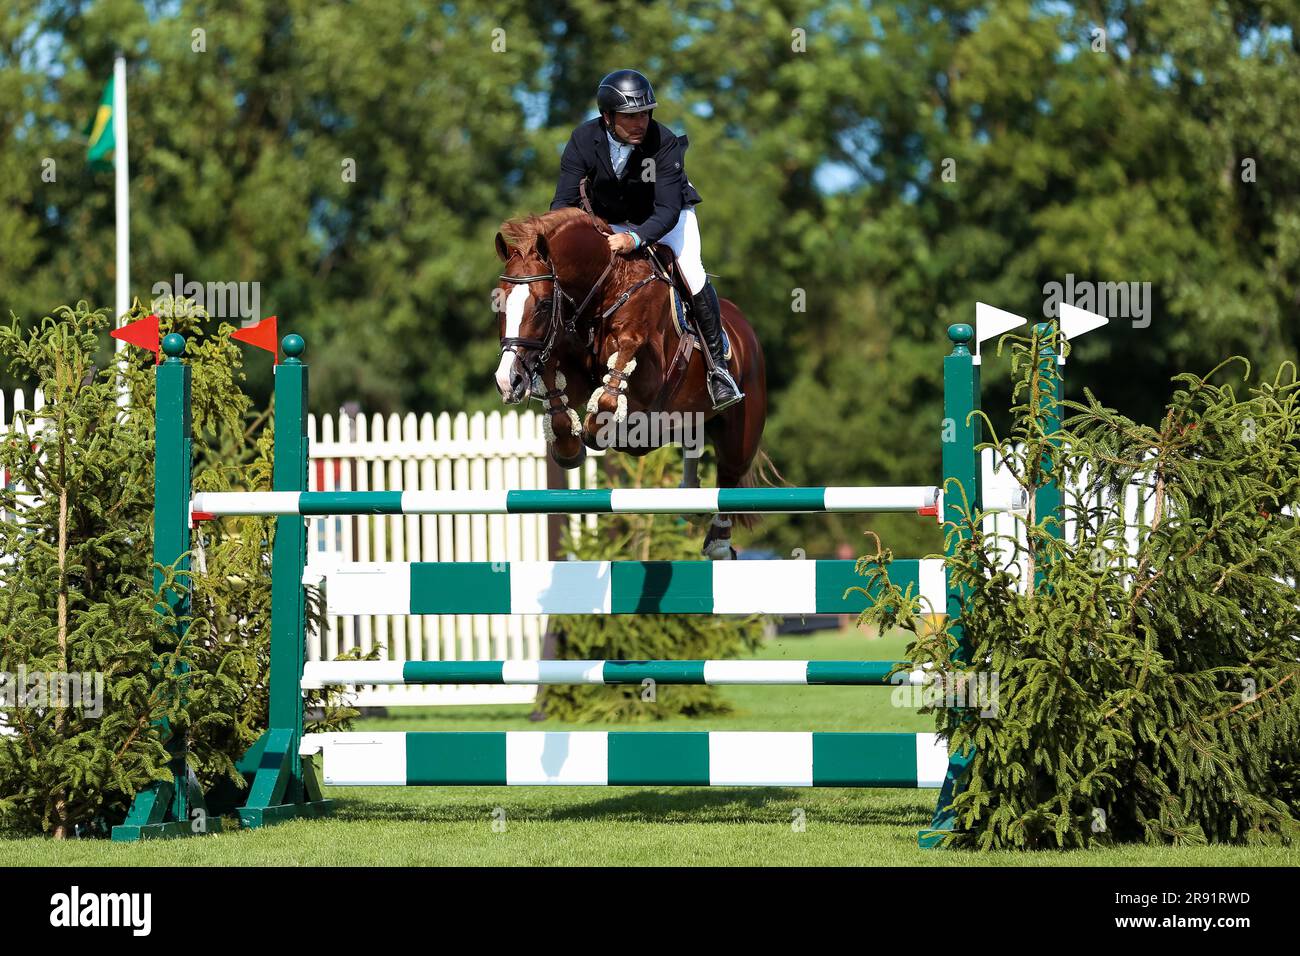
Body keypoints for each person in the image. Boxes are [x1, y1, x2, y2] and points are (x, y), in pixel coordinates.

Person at [549, 69, 743, 411]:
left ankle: (718, 369)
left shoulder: (663, 142)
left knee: (692, 273)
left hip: (666, 217)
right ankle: (548, 359)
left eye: (644, 114)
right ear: (607, 117)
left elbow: (667, 209)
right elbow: (563, 204)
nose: (640, 122)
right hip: (608, 221)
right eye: (630, 116)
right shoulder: (583, 139)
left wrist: (635, 238)